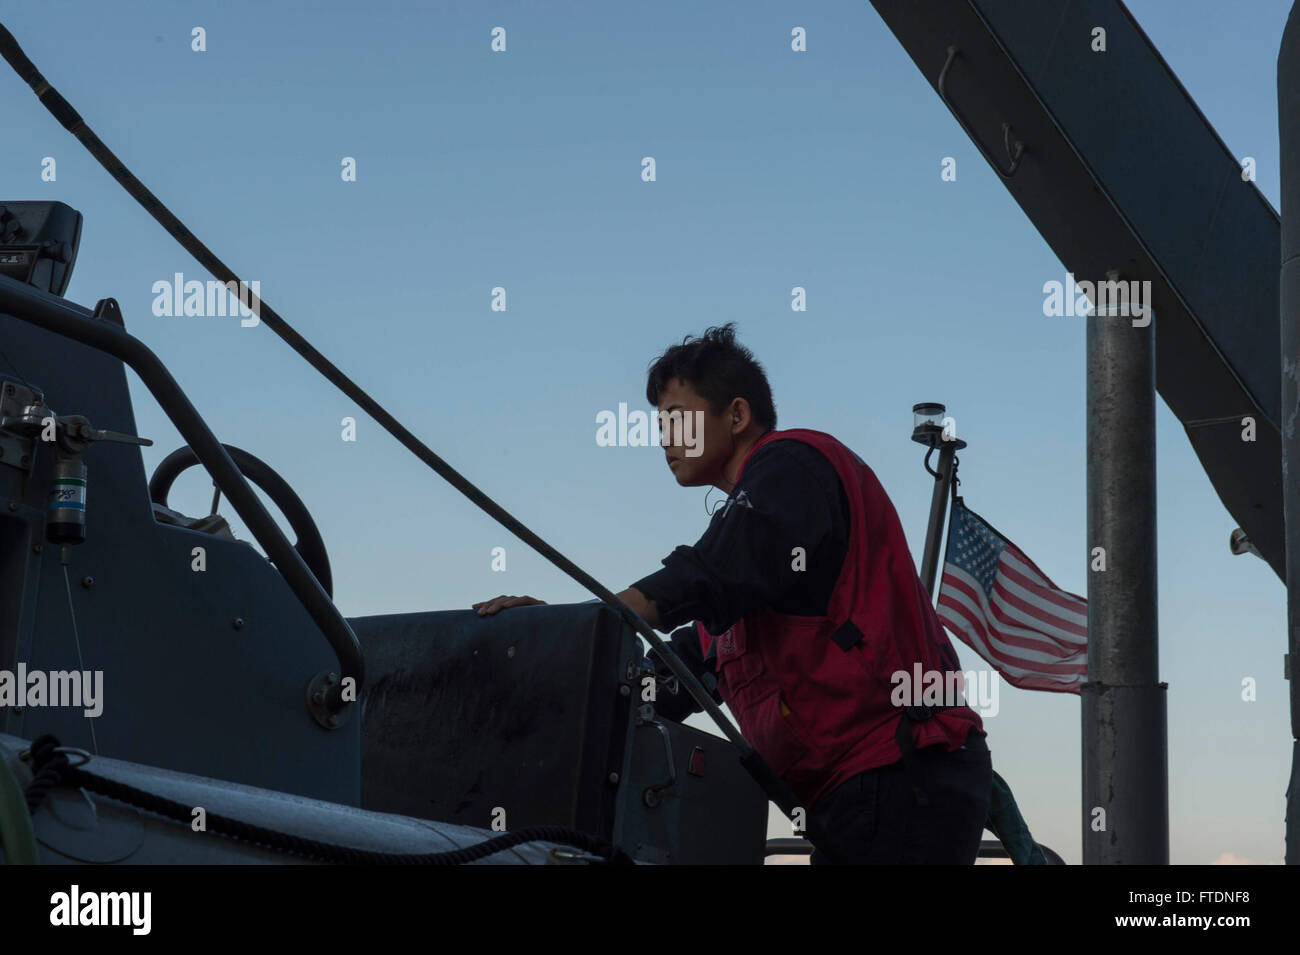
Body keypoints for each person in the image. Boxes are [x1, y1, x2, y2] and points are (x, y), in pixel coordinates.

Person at [474, 323, 991, 864]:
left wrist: (582, 627)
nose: (663, 437)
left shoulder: (793, 466)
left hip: (903, 775)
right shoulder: (744, 590)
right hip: (853, 796)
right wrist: (557, 649)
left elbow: (706, 574)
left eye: (676, 418)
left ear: (737, 416)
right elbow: (672, 679)